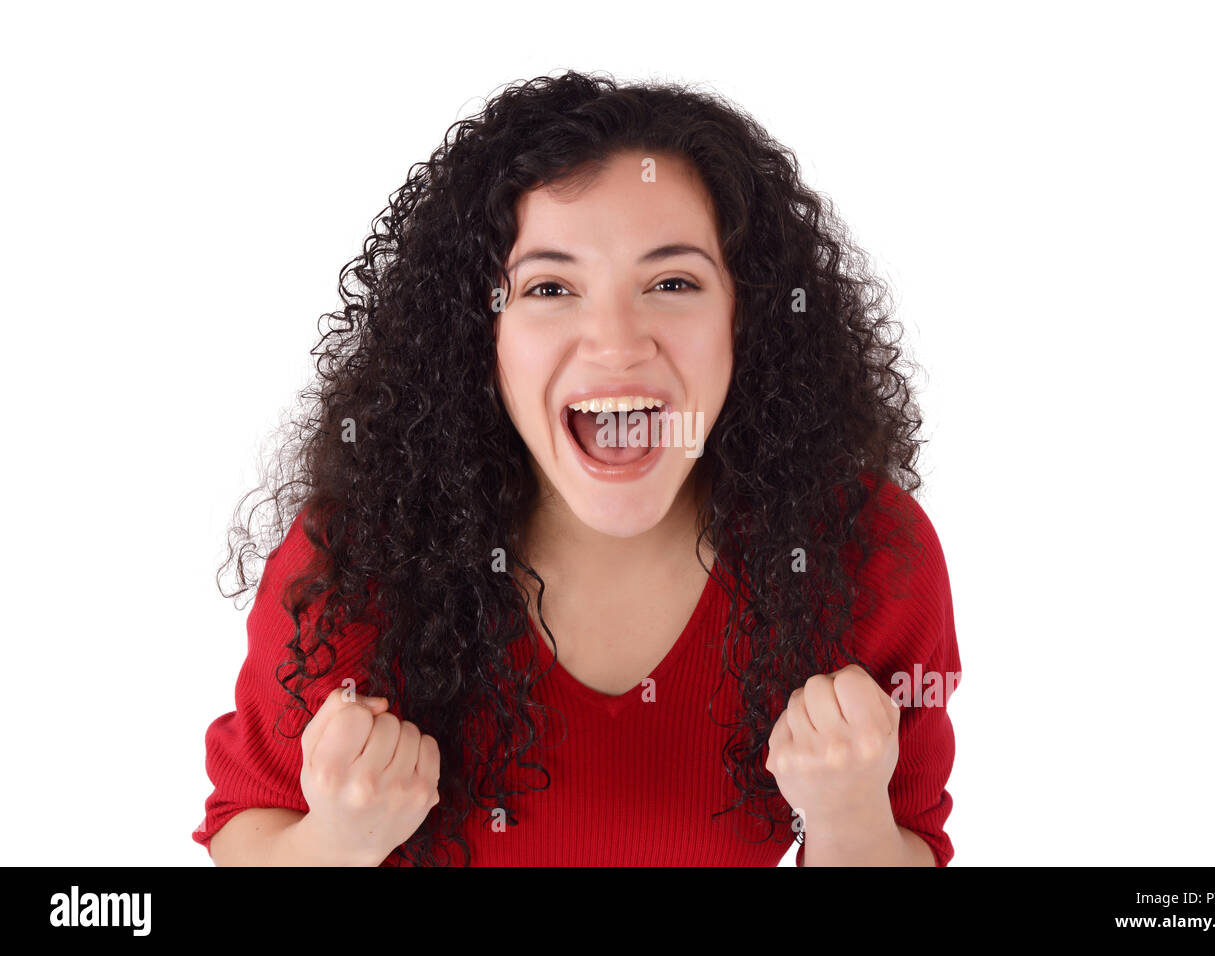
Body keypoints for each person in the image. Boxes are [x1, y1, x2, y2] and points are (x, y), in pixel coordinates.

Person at [193, 70, 961, 867]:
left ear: (748, 320)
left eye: (673, 282)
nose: (617, 342)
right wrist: (336, 842)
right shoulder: (360, 552)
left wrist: (849, 819)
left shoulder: (868, 550)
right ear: (480, 336)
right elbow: (247, 829)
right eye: (550, 286)